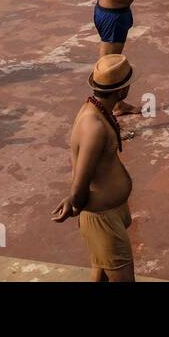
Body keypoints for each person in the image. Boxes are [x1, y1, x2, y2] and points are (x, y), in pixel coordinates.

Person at [52, 54, 137, 282]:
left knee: (101, 274)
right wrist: (74, 202)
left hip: (110, 212)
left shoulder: (97, 109)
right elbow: (82, 178)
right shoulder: (94, 126)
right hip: (102, 218)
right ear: (121, 92)